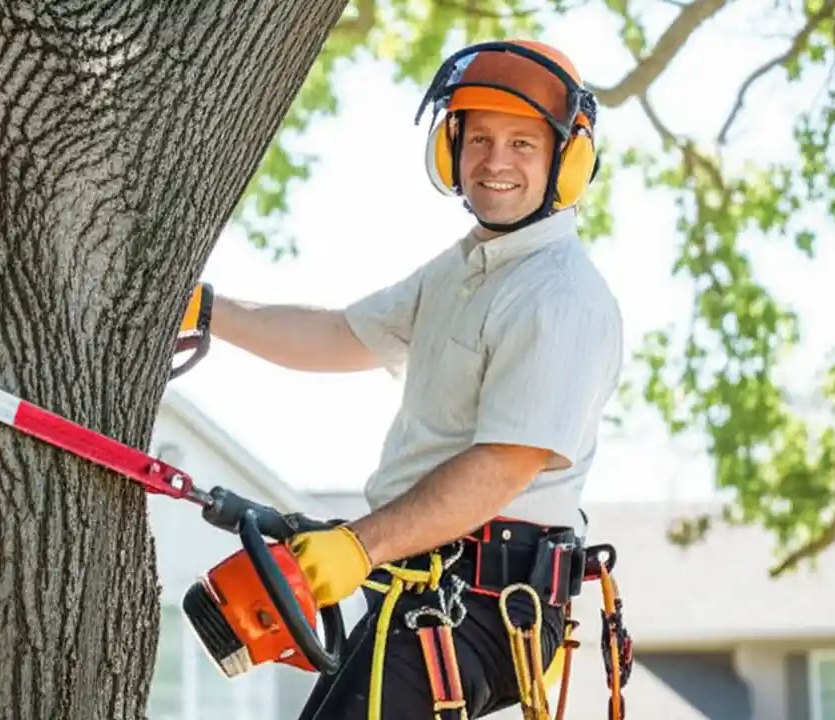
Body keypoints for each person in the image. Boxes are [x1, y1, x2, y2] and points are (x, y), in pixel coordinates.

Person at [208, 39, 624, 719]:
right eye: (479, 138)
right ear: (450, 152)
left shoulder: (559, 296)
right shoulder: (461, 271)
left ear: (567, 161)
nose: (495, 161)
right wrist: (206, 310)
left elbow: (504, 464)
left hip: (485, 605)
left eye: (522, 143)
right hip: (421, 588)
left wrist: (358, 544)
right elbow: (342, 333)